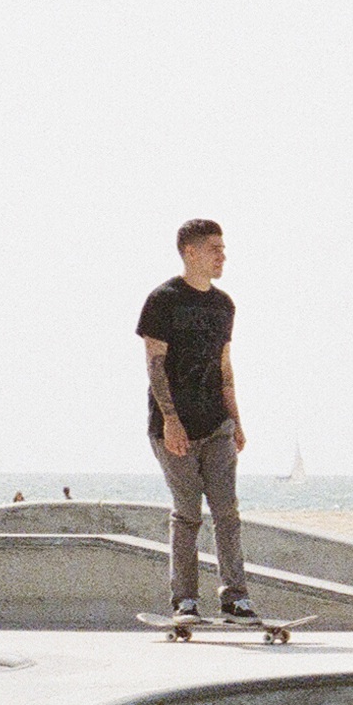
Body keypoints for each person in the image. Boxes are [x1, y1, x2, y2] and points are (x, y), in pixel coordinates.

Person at [139, 218, 254, 622]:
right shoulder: (163, 299)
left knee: (227, 512)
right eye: (215, 248)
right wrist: (170, 420)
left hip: (217, 423)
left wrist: (236, 420)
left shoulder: (224, 305)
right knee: (187, 513)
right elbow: (155, 364)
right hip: (175, 427)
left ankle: (236, 598)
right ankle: (184, 601)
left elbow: (225, 366)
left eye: (223, 248)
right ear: (191, 251)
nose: (223, 256)